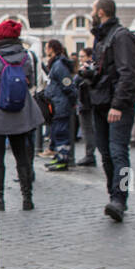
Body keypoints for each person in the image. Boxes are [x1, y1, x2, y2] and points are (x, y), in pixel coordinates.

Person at [81, 0, 135, 222]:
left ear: (101, 13)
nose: (91, 14)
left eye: (93, 10)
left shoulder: (121, 36)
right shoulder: (102, 38)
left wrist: (118, 104)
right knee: (105, 153)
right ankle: (113, 195)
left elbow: (128, 73)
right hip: (100, 101)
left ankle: (122, 198)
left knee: (119, 153)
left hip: (117, 105)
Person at [0, 19, 44, 210]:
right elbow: (29, 83)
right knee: (22, 155)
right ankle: (27, 198)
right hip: (21, 114)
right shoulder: (25, 57)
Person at [42, 40, 77, 171]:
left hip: (61, 104)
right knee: (56, 132)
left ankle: (63, 160)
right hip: (56, 103)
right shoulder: (56, 64)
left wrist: (72, 101)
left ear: (51, 49)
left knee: (61, 132)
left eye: (46, 47)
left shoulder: (59, 65)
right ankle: (58, 157)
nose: (46, 50)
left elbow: (67, 84)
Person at [74, 46, 98, 166]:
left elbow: (77, 81)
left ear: (89, 57)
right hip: (85, 101)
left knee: (88, 129)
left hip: (86, 102)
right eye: (80, 56)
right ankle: (89, 154)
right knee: (87, 129)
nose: (80, 59)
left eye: (82, 56)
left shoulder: (89, 67)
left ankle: (90, 155)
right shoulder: (87, 67)